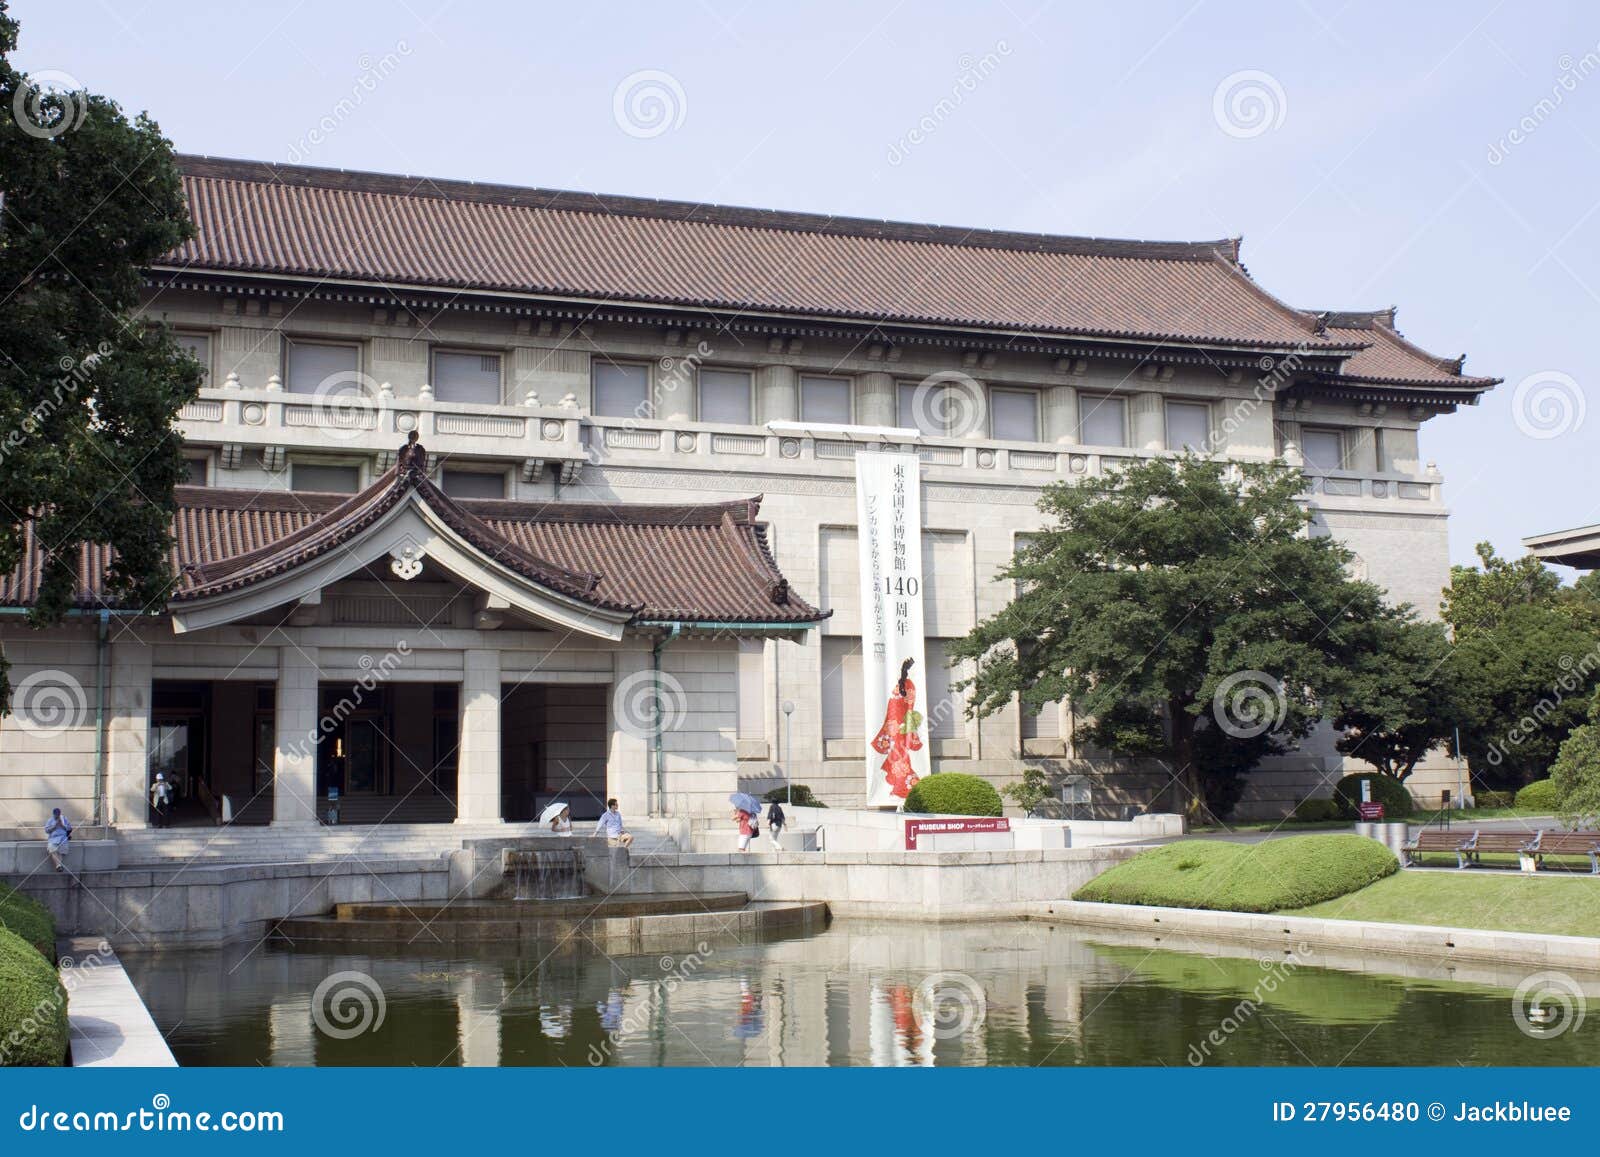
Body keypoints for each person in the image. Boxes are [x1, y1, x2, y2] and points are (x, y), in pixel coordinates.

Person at [871, 657, 924, 800]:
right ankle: (899, 784)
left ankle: (901, 785)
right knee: (899, 754)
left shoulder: (905, 686)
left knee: (900, 755)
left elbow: (904, 707)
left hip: (899, 725)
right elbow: (907, 707)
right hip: (899, 725)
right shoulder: (907, 685)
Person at [44, 808, 72, 873]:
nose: (57, 816)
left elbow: (69, 828)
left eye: (58, 814)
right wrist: (54, 826)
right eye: (56, 815)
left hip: (63, 838)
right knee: (52, 849)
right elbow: (46, 830)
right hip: (53, 838)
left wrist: (62, 825)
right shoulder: (50, 820)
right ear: (53, 814)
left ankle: (58, 866)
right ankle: (59, 865)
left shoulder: (64, 819)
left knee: (61, 851)